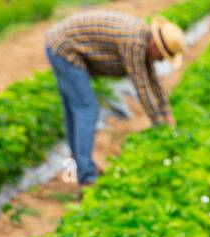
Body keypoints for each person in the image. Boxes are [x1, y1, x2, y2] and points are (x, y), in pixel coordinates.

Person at [43, 12, 184, 186]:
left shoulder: (143, 39)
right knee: (87, 110)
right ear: (155, 45)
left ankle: (83, 166)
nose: (161, 61)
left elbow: (153, 80)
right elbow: (142, 86)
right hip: (64, 49)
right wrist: (158, 123)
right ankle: (86, 175)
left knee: (75, 111)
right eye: (162, 56)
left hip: (63, 44)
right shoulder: (133, 42)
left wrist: (167, 112)